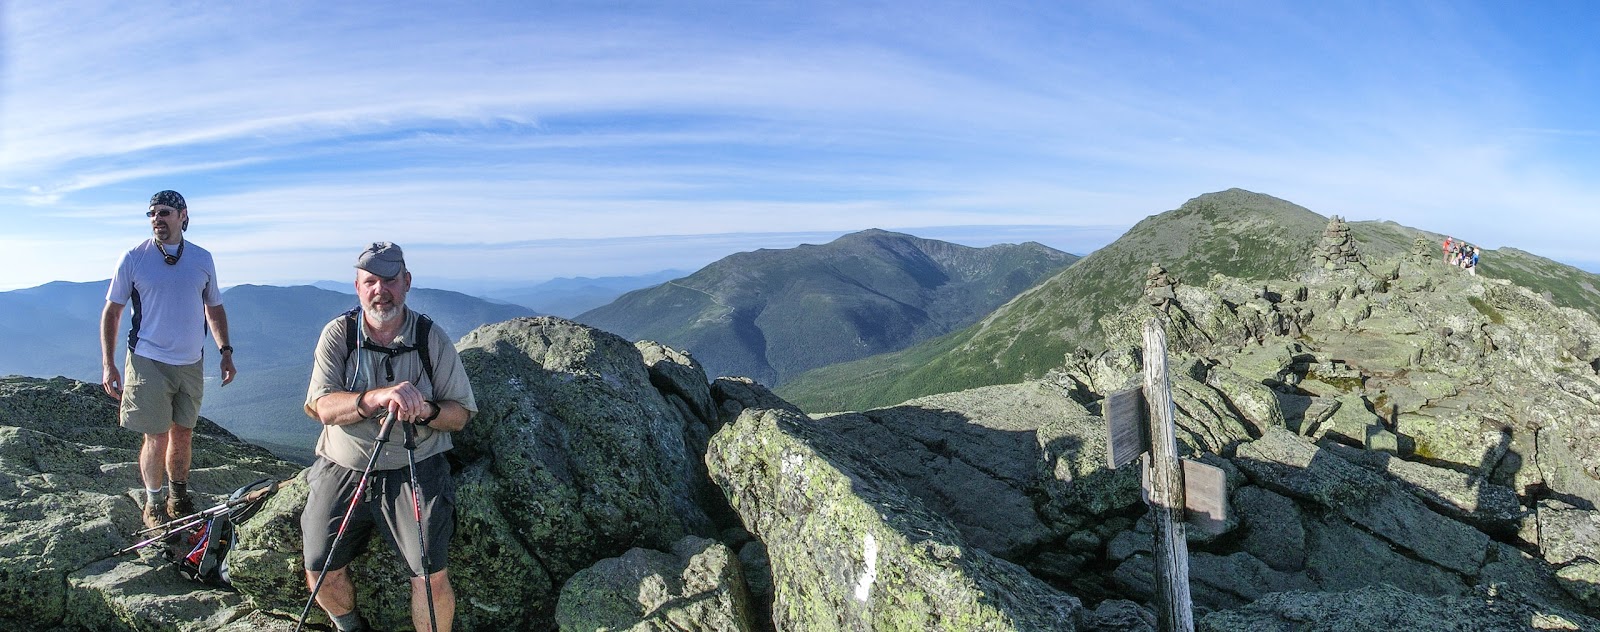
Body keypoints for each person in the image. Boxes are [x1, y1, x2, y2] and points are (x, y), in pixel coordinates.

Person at [302, 242, 475, 632]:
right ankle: (350, 627)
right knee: (319, 569)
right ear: (358, 286)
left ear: (407, 282)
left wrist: (427, 411)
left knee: (429, 576)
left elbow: (460, 415)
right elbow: (322, 407)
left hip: (414, 464)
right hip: (344, 465)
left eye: (390, 280)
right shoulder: (340, 334)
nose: (381, 290)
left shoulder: (431, 338)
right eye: (371, 281)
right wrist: (376, 397)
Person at [100, 190, 236, 530]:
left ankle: (179, 495)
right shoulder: (134, 257)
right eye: (151, 214)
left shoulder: (202, 259)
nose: (156, 219)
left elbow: (214, 307)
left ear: (182, 215)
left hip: (191, 360)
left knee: (184, 433)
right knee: (156, 436)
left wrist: (225, 351)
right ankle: (154, 502)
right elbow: (112, 312)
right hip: (148, 359)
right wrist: (108, 363)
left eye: (164, 213)